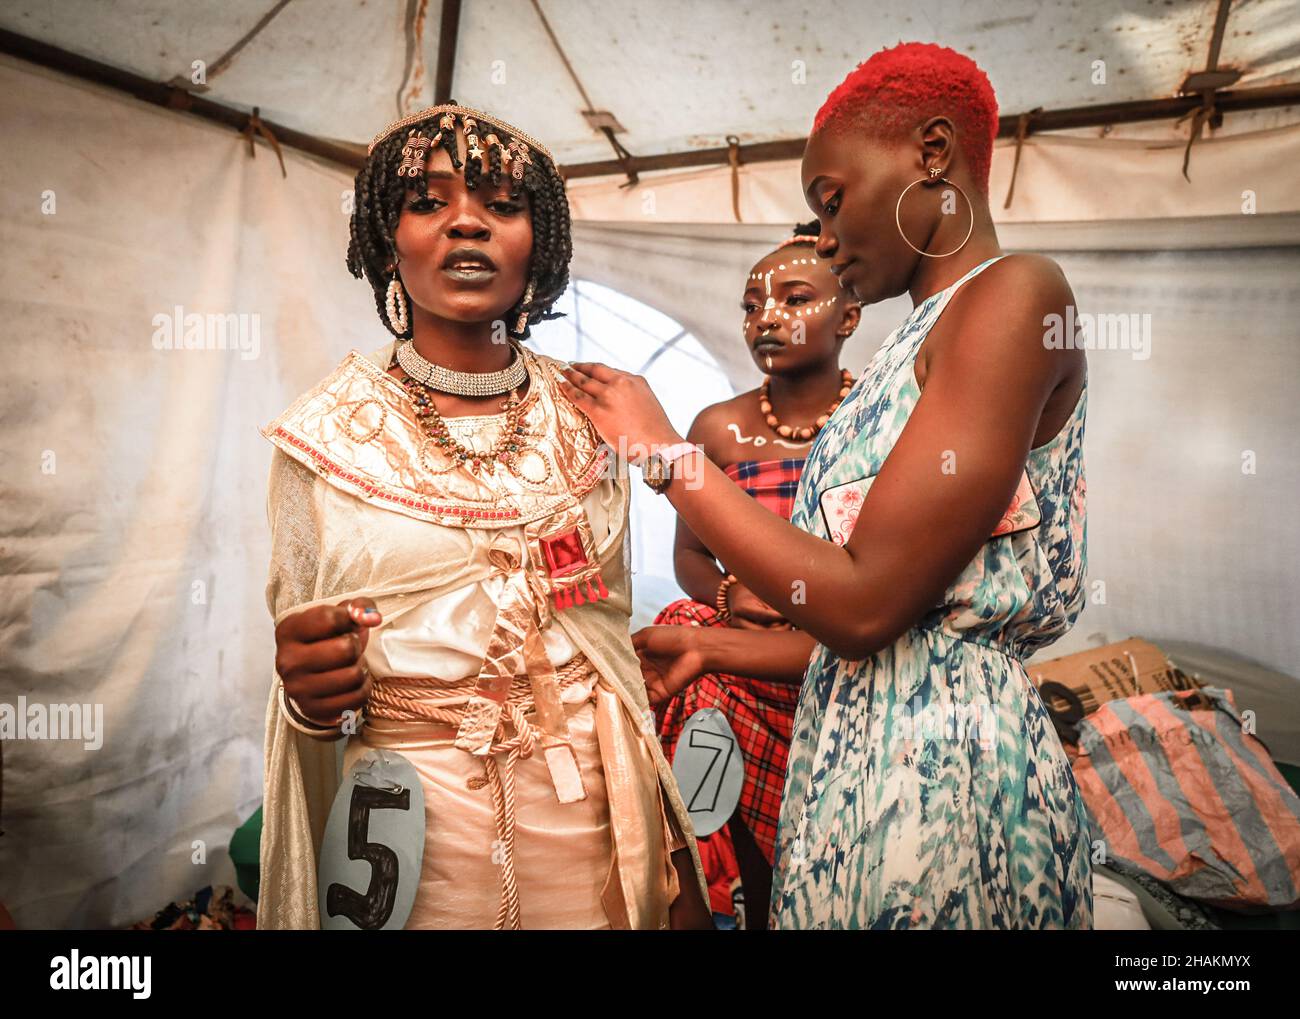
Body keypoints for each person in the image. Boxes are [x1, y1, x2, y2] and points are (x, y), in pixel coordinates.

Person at [560, 42, 1093, 929]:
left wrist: (665, 456)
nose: (826, 236)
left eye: (832, 201)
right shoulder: (904, 352)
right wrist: (714, 646)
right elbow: (863, 624)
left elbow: (863, 603)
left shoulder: (1017, 295)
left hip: (940, 781)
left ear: (932, 154)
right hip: (847, 768)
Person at [257, 103, 709, 930]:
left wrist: (667, 844)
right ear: (386, 239)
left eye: (502, 205)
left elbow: (603, 637)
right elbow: (309, 674)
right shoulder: (320, 436)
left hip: (589, 819)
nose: (467, 221)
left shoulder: (594, 415)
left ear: (539, 242)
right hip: (409, 835)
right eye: (428, 203)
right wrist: (311, 701)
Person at [652, 221, 859, 929]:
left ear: (850, 316)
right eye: (750, 305)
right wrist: (726, 593)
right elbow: (688, 557)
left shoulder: (880, 421)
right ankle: (724, 883)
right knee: (681, 637)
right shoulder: (716, 427)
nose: (766, 316)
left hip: (843, 648)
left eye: (794, 298)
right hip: (745, 654)